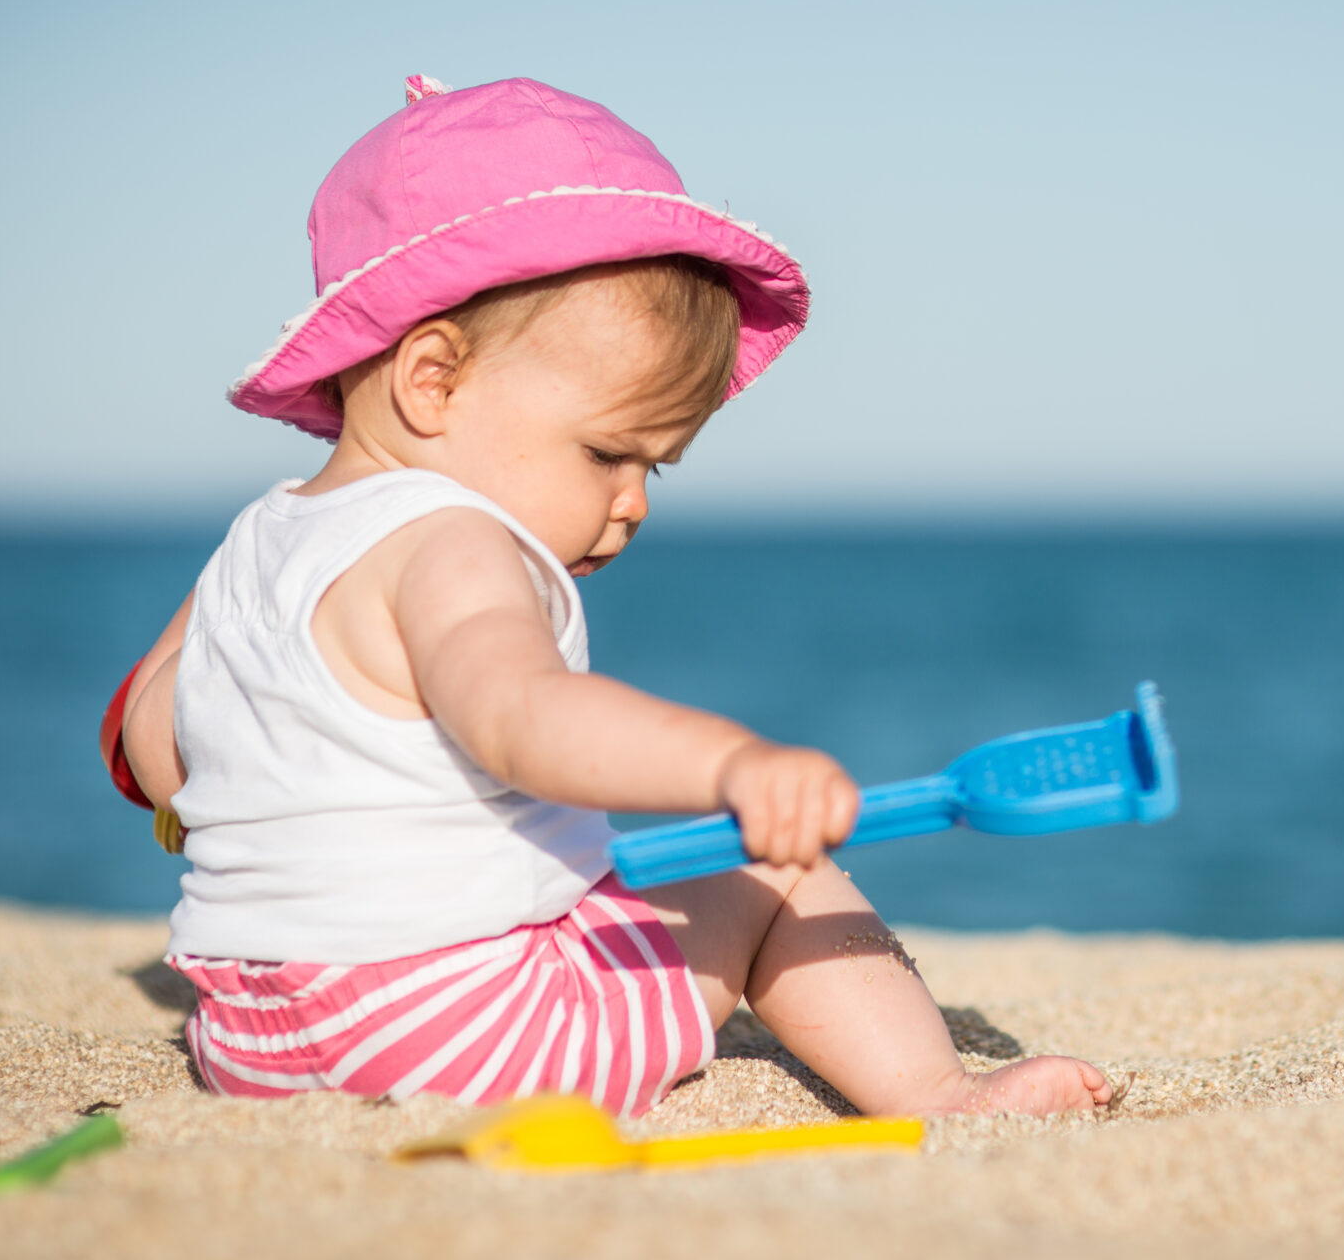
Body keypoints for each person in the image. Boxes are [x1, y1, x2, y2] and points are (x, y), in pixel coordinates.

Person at [100, 75, 1113, 1120]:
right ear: (432, 380)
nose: (629, 505)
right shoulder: (451, 541)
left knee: (593, 885)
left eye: (655, 469)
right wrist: (731, 766)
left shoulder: (259, 537)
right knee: (770, 881)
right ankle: (941, 1095)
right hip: (457, 1034)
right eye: (607, 453)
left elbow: (156, 742)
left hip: (253, 1034)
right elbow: (520, 717)